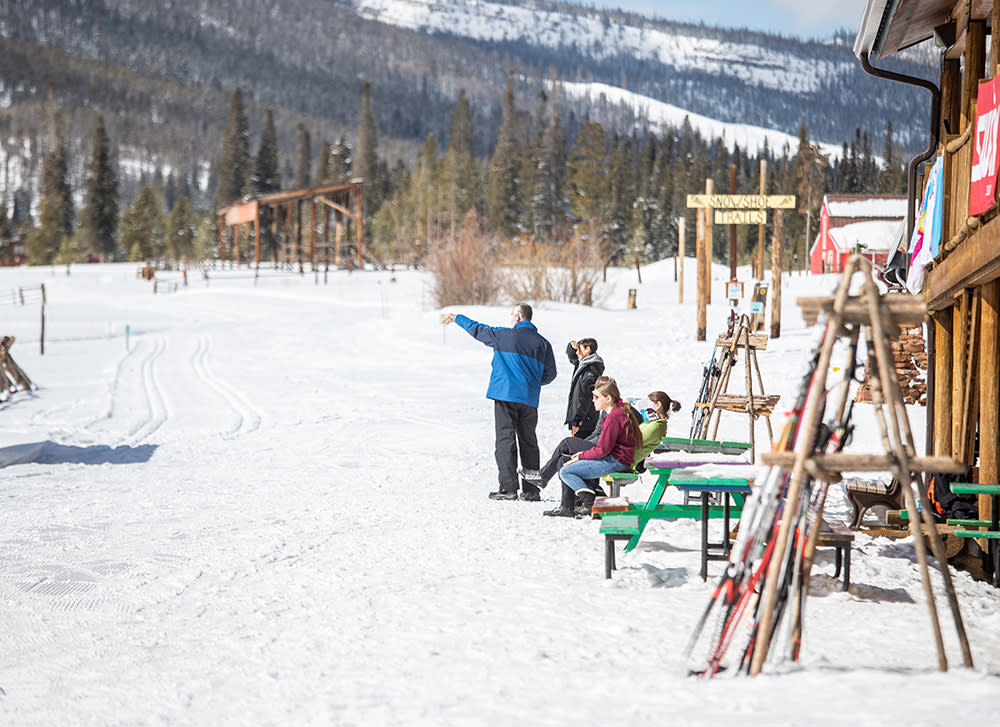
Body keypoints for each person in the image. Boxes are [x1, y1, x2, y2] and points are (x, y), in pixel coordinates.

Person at [443, 303, 557, 501]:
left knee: (505, 441)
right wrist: (531, 383)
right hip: (529, 399)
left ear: (518, 318)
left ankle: (508, 488)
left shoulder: (503, 336)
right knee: (529, 442)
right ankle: (531, 491)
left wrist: (457, 317)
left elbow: (477, 329)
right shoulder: (543, 343)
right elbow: (550, 374)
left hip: (505, 395)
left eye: (512, 315)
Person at [544, 378, 642, 518]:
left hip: (616, 461)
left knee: (566, 472)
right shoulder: (615, 413)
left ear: (608, 398)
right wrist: (581, 455)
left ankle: (590, 504)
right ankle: (574, 506)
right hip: (615, 459)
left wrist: (580, 456)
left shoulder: (614, 417)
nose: (593, 400)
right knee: (565, 461)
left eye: (597, 397)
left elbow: (603, 450)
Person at [564, 338, 604, 439]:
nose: (577, 352)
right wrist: (571, 346)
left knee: (581, 449)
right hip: (581, 417)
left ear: (588, 349)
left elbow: (587, 397)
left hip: (585, 420)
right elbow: (572, 356)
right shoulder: (583, 364)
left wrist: (578, 419)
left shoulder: (590, 370)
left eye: (579, 349)